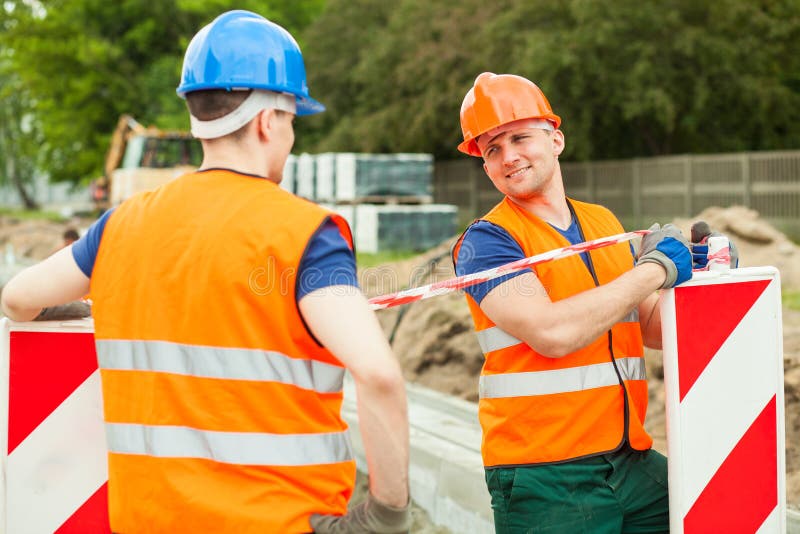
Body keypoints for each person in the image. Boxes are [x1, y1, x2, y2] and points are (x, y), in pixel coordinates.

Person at [1, 10, 410, 533]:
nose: (291, 138)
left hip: (144, 521)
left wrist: (86, 304)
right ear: (268, 121)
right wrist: (386, 516)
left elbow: (17, 299)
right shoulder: (306, 234)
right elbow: (377, 374)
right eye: (292, 121)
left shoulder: (121, 225)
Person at [451, 72, 694, 533]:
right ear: (484, 166)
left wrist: (707, 276)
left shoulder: (603, 222)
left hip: (630, 460)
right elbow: (553, 334)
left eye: (520, 137)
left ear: (556, 139)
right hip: (546, 477)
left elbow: (651, 327)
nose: (509, 157)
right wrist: (656, 269)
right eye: (493, 150)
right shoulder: (487, 242)